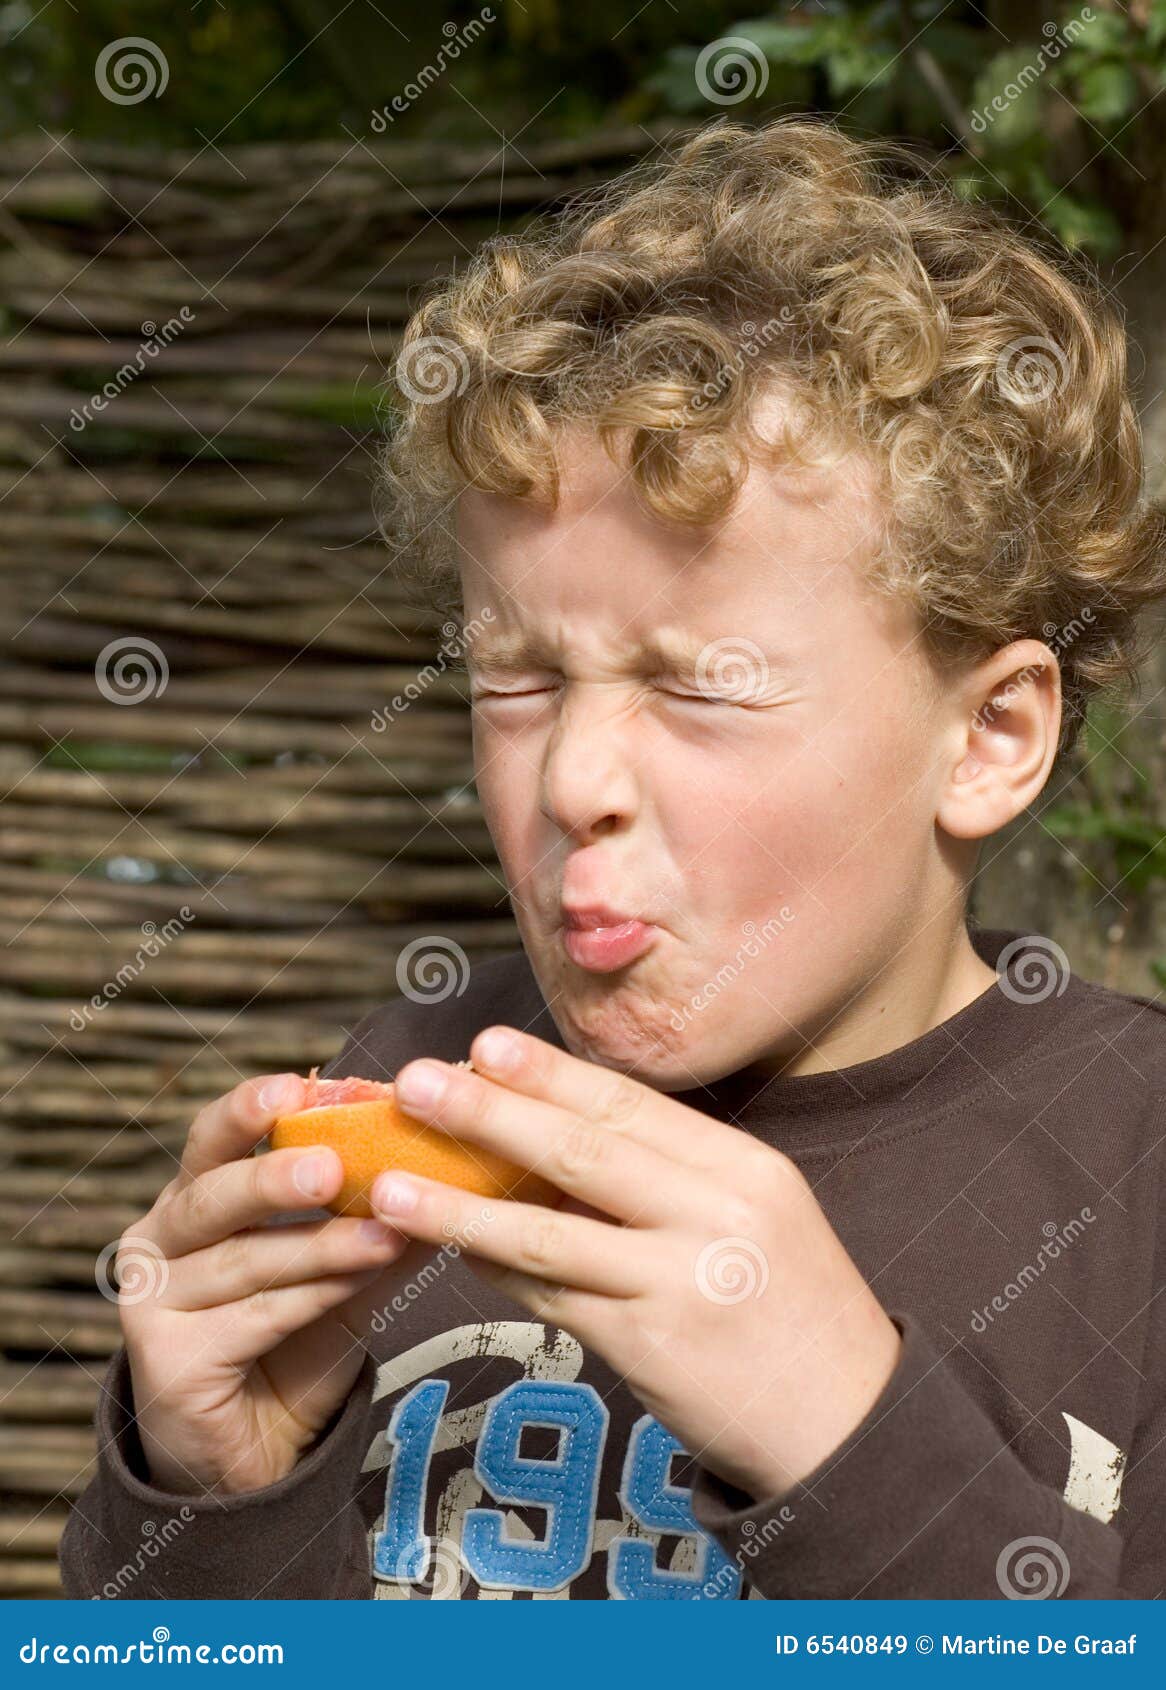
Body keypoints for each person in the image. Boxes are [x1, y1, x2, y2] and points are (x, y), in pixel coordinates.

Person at [61, 118, 1166, 1601]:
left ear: (987, 737)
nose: (569, 779)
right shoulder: (417, 1079)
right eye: (513, 681)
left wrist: (851, 1432)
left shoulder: (1130, 1175)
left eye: (700, 682)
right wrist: (209, 1497)